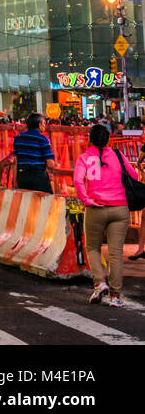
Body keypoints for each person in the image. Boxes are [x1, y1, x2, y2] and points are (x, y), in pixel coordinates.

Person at [74, 123, 139, 308]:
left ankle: (99, 282)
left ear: (89, 139)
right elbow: (134, 176)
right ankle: (115, 295)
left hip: (96, 208)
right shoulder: (118, 155)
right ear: (108, 139)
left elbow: (78, 181)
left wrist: (87, 200)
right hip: (120, 208)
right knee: (115, 253)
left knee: (93, 248)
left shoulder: (84, 158)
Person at [0, 114, 57, 193]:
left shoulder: (19, 137)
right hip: (38, 177)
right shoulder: (43, 139)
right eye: (44, 123)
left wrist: (15, 182)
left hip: (22, 176)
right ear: (39, 124)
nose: (45, 126)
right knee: (47, 201)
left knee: (26, 202)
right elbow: (50, 164)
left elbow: (15, 161)